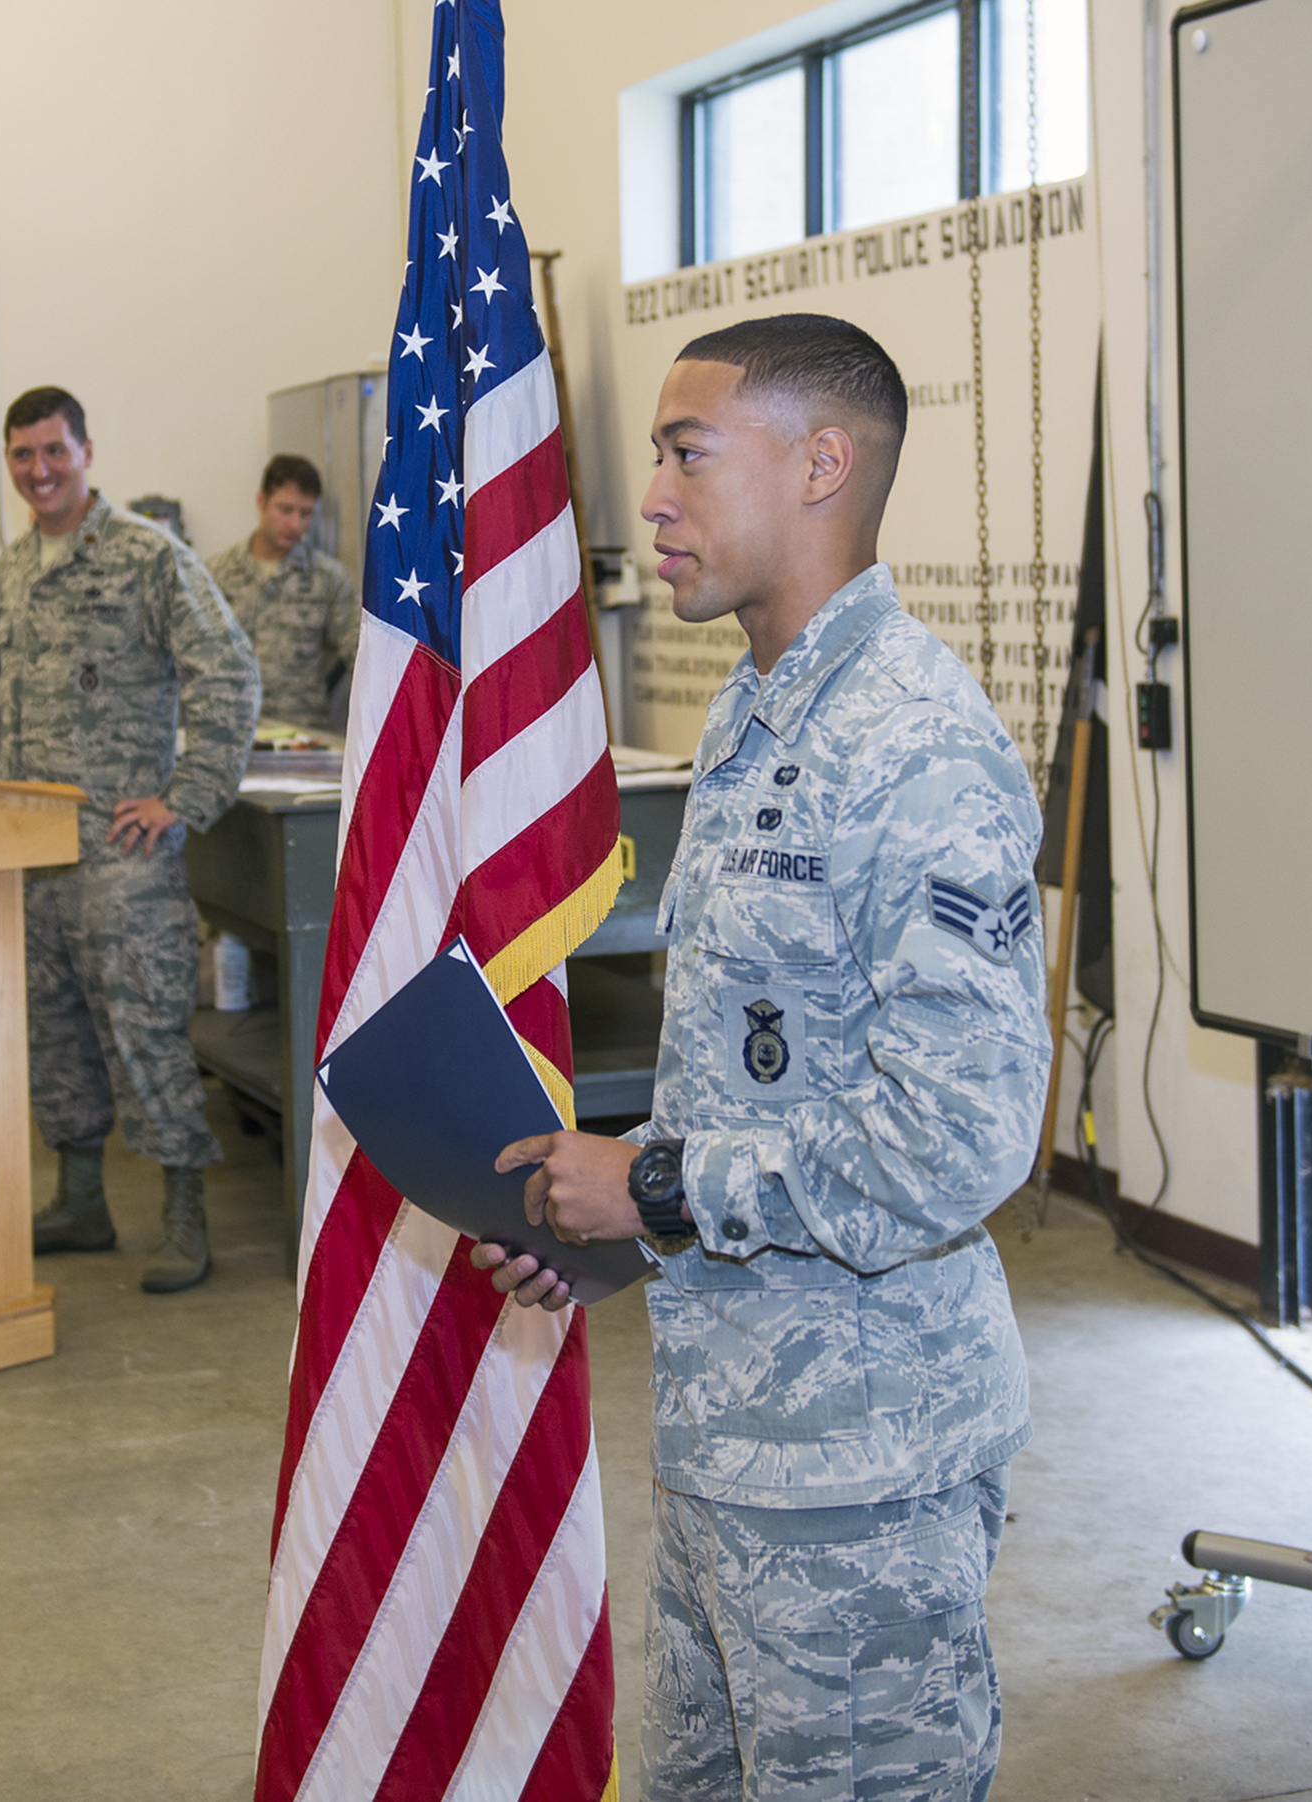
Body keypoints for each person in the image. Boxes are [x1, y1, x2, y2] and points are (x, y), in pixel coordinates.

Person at [472, 315, 1047, 1800]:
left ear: (821, 463)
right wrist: (609, 1228)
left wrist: (653, 1185)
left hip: (861, 1469)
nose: (651, 495)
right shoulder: (754, 705)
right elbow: (763, 1079)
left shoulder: (914, 744)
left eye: (685, 451)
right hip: (733, 1437)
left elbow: (957, 1143)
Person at [0, 386, 259, 1294]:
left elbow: (228, 669)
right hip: (31, 851)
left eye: (54, 451)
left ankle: (183, 1216)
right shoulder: (11, 573)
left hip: (119, 857)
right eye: (22, 455)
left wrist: (186, 795)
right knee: (53, 1035)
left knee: (143, 1030)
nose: (39, 470)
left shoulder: (146, 558)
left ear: (86, 451)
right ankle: (82, 1199)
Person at [204, 454, 357, 730]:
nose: (295, 524)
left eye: (306, 513)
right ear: (261, 501)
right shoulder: (217, 573)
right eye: (285, 510)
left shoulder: (328, 579)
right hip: (231, 731)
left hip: (301, 734)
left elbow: (359, 654)